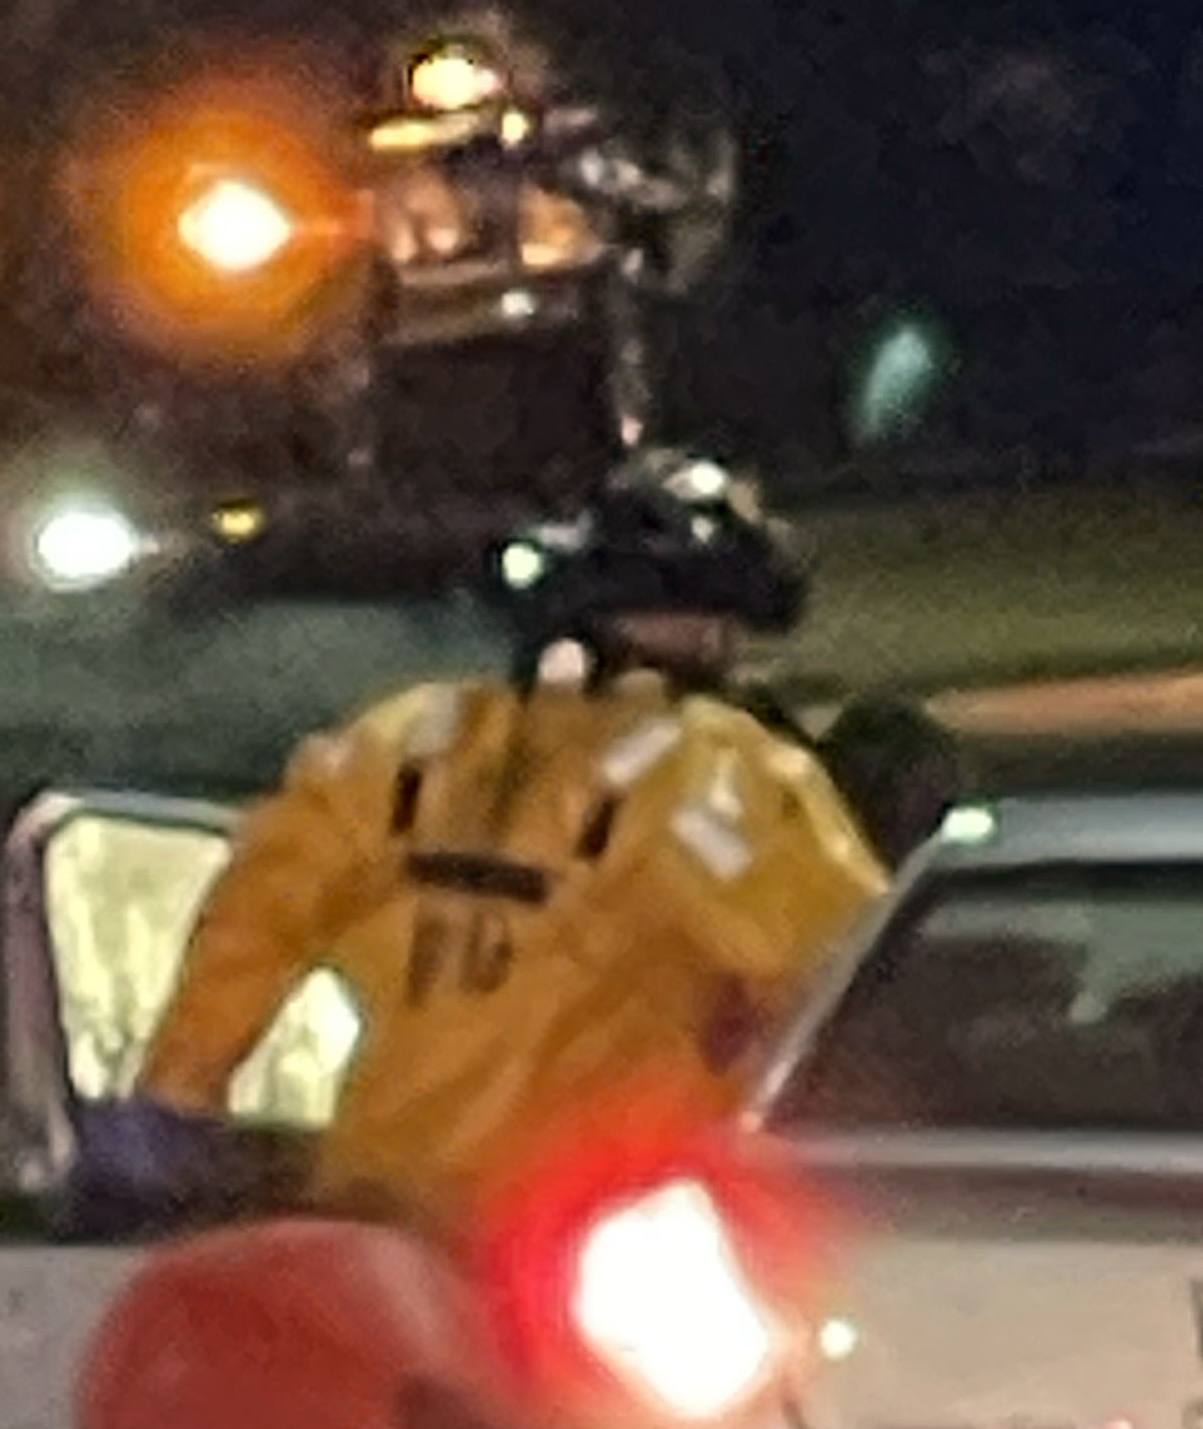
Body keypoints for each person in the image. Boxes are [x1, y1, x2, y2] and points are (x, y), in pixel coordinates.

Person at [125, 451, 888, 1234]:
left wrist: (178, 1094)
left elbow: (255, 922)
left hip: (379, 1201)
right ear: (711, 625)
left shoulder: (404, 744)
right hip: (600, 1226)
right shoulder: (728, 780)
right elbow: (857, 988)